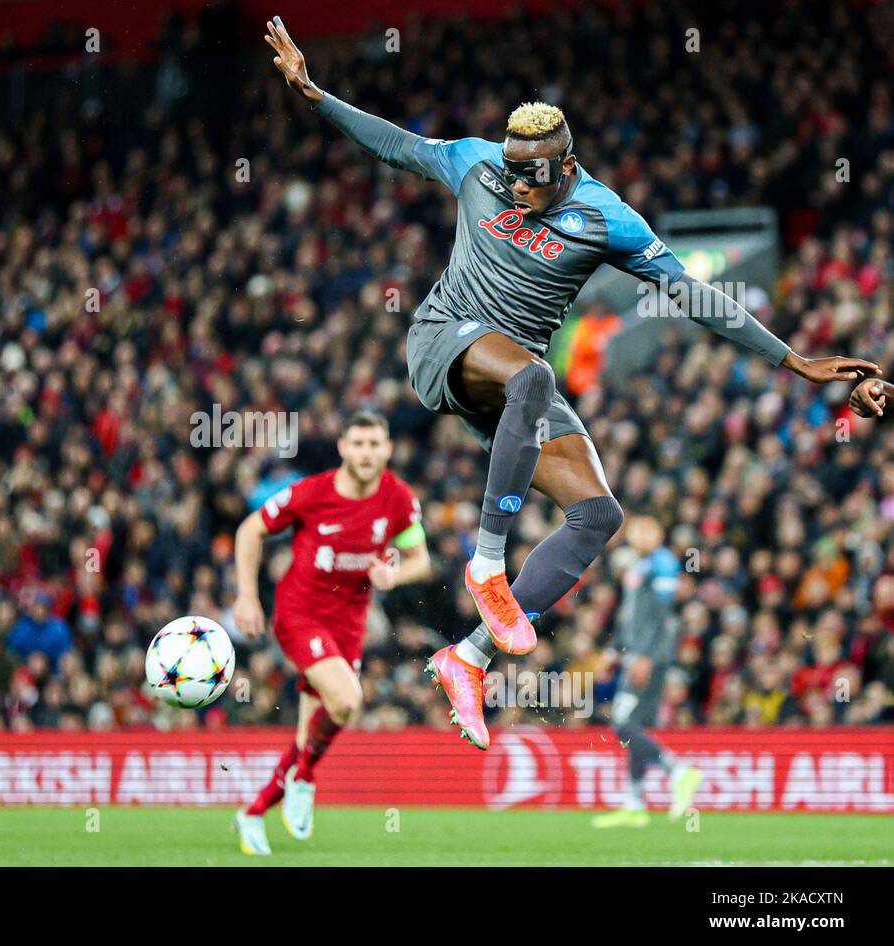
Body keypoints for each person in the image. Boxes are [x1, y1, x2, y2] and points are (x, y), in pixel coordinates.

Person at [265, 15, 881, 750]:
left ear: (563, 164)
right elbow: (398, 145)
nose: (516, 184)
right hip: (445, 339)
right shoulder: (477, 162)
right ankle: (487, 568)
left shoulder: (606, 216)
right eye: (511, 170)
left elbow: (692, 294)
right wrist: (314, 94)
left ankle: (468, 657)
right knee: (531, 374)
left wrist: (797, 361)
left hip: (516, 379)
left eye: (532, 175)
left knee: (598, 516)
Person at [231, 410, 430, 855]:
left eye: (374, 444)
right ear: (342, 447)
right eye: (357, 443)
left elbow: (420, 558)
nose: (366, 452)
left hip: (349, 625)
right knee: (348, 700)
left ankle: (253, 813)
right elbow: (250, 529)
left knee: (311, 734)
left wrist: (394, 575)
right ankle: (304, 779)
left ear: (388, 450)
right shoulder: (311, 493)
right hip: (300, 614)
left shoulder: (398, 499)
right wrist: (247, 595)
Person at [591, 515, 701, 828]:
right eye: (635, 530)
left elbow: (665, 616)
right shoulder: (637, 567)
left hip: (648, 658)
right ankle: (635, 804)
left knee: (623, 724)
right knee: (632, 725)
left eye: (646, 530)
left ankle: (679, 771)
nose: (639, 535)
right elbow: (630, 617)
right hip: (635, 656)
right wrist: (614, 652)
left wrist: (646, 657)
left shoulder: (664, 564)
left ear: (659, 534)